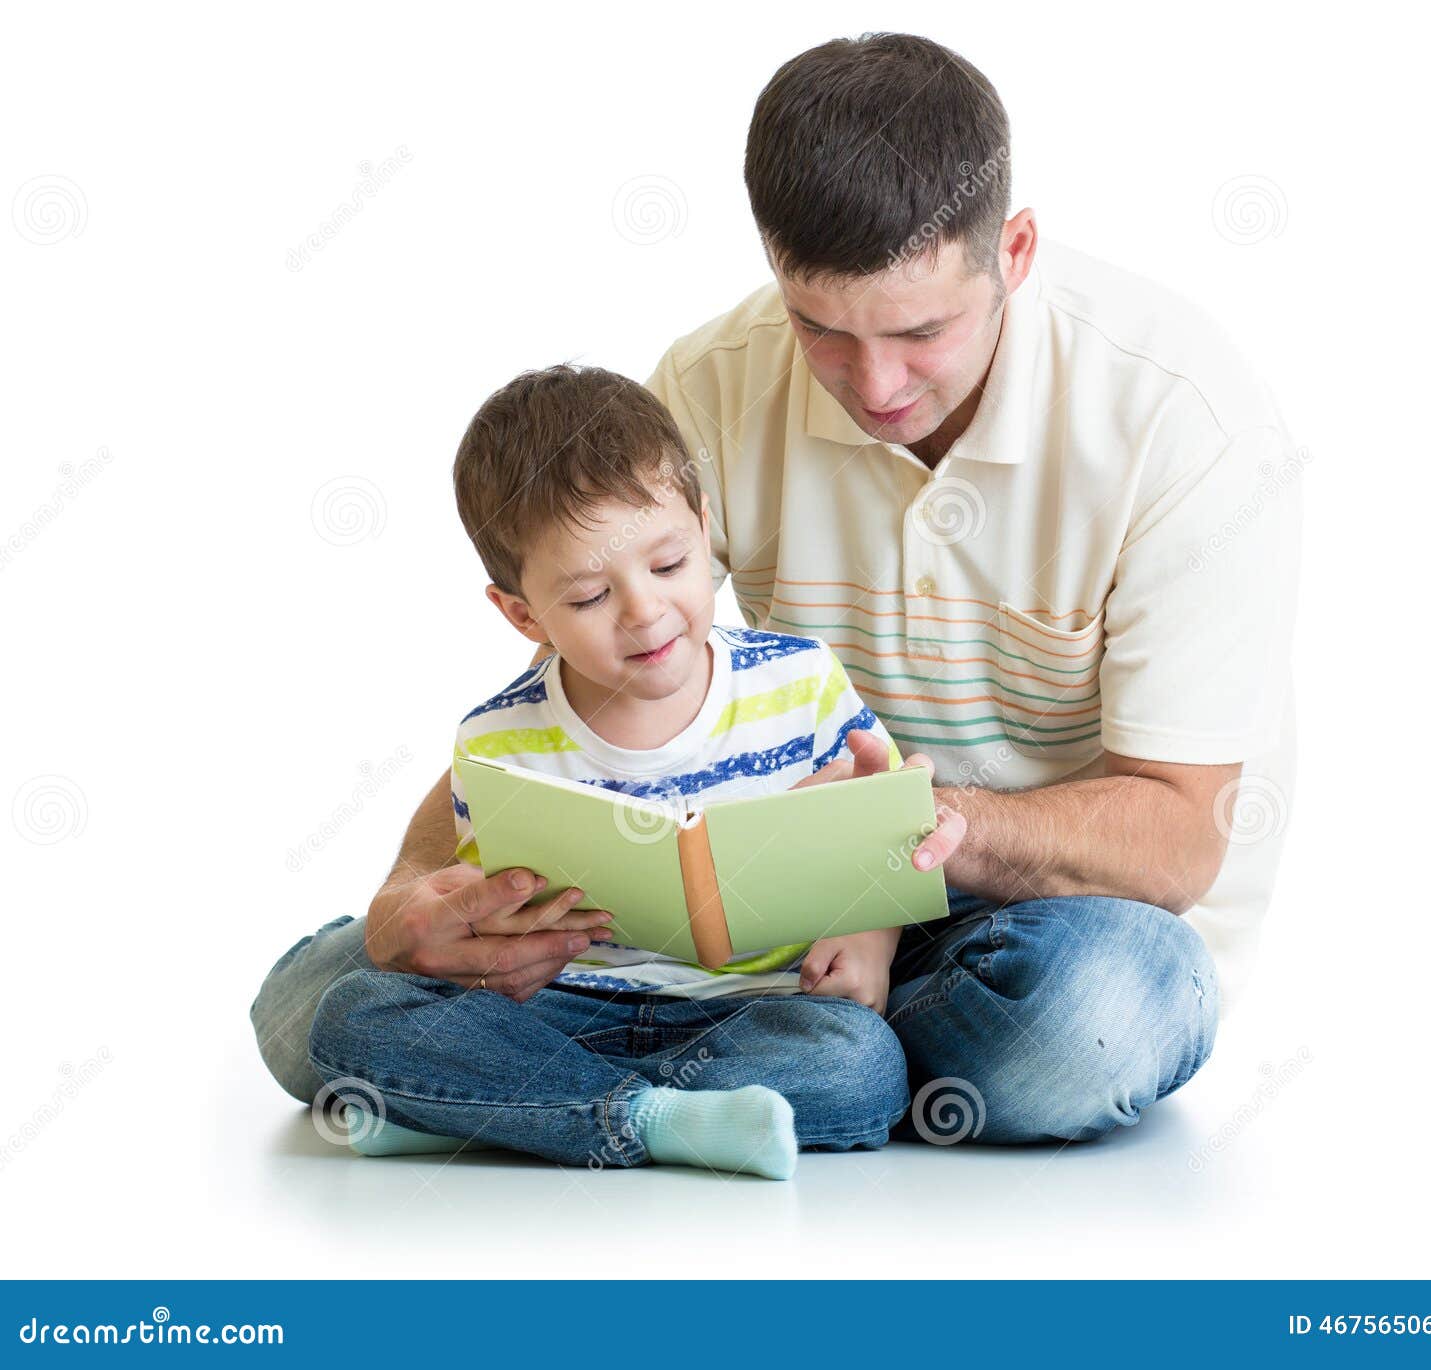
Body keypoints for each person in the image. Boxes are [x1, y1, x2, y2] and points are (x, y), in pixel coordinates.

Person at [255, 31, 1297, 1150]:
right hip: (753, 926)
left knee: (1081, 1025)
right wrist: (417, 886)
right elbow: (561, 698)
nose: (876, 385)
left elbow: (1186, 834)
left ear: (1017, 247)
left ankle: (578, 1075)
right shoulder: (712, 379)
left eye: (921, 331)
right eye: (820, 330)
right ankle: (725, 1075)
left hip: (1035, 922)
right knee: (311, 1003)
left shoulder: (1177, 417)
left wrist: (908, 840)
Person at [293, 364, 964, 1179]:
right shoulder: (494, 740)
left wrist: (869, 937)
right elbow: (486, 934)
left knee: (858, 1068)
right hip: (561, 1013)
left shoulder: (803, 681)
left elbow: (889, 841)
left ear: (705, 527)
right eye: (586, 598)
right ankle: (656, 1120)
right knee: (356, 1017)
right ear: (522, 615)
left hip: (752, 1018)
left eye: (670, 563)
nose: (644, 610)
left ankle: (501, 1113)